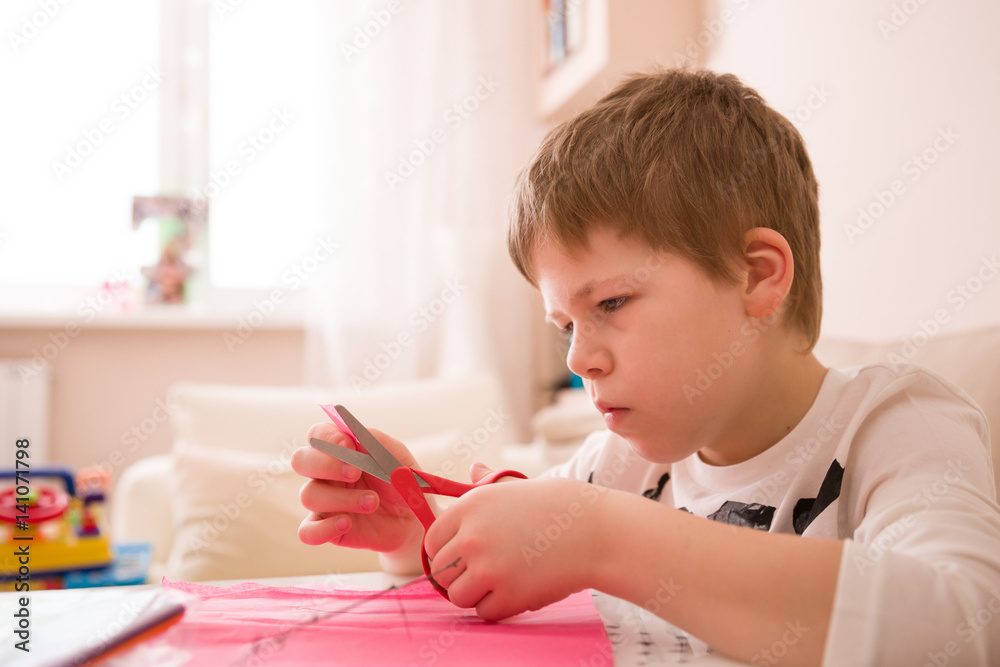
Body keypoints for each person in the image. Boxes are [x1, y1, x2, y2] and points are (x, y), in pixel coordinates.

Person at [292, 69, 1000, 665]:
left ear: (757, 277)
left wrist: (603, 537)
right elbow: (512, 576)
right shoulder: (620, 464)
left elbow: (965, 624)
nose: (579, 358)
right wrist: (421, 538)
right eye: (565, 325)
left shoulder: (899, 421)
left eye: (612, 302)